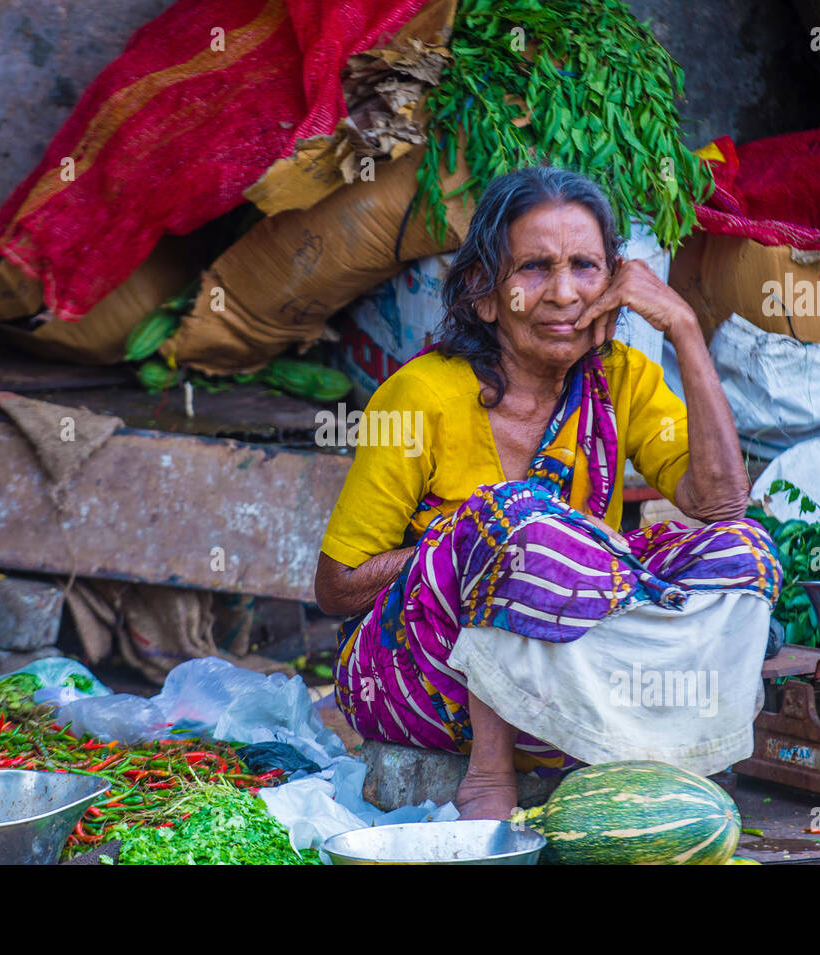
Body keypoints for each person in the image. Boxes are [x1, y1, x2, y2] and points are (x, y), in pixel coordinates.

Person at [314, 166, 782, 820]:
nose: (563, 292)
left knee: (744, 550)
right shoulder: (420, 397)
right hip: (419, 683)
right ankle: (489, 779)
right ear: (483, 293)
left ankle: (675, 764)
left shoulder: (625, 379)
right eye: (534, 268)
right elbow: (337, 584)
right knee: (515, 520)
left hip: (575, 685)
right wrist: (473, 548)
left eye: (586, 267)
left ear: (617, 284)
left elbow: (722, 504)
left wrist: (681, 328)